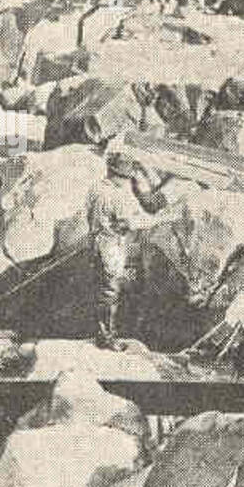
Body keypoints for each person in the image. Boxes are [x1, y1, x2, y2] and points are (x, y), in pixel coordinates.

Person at [86, 148, 168, 350]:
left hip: (96, 242)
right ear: (122, 176)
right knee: (110, 292)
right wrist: (154, 221)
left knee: (102, 290)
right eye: (127, 177)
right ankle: (106, 338)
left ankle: (104, 333)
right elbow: (127, 224)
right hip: (110, 245)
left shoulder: (96, 188)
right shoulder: (116, 195)